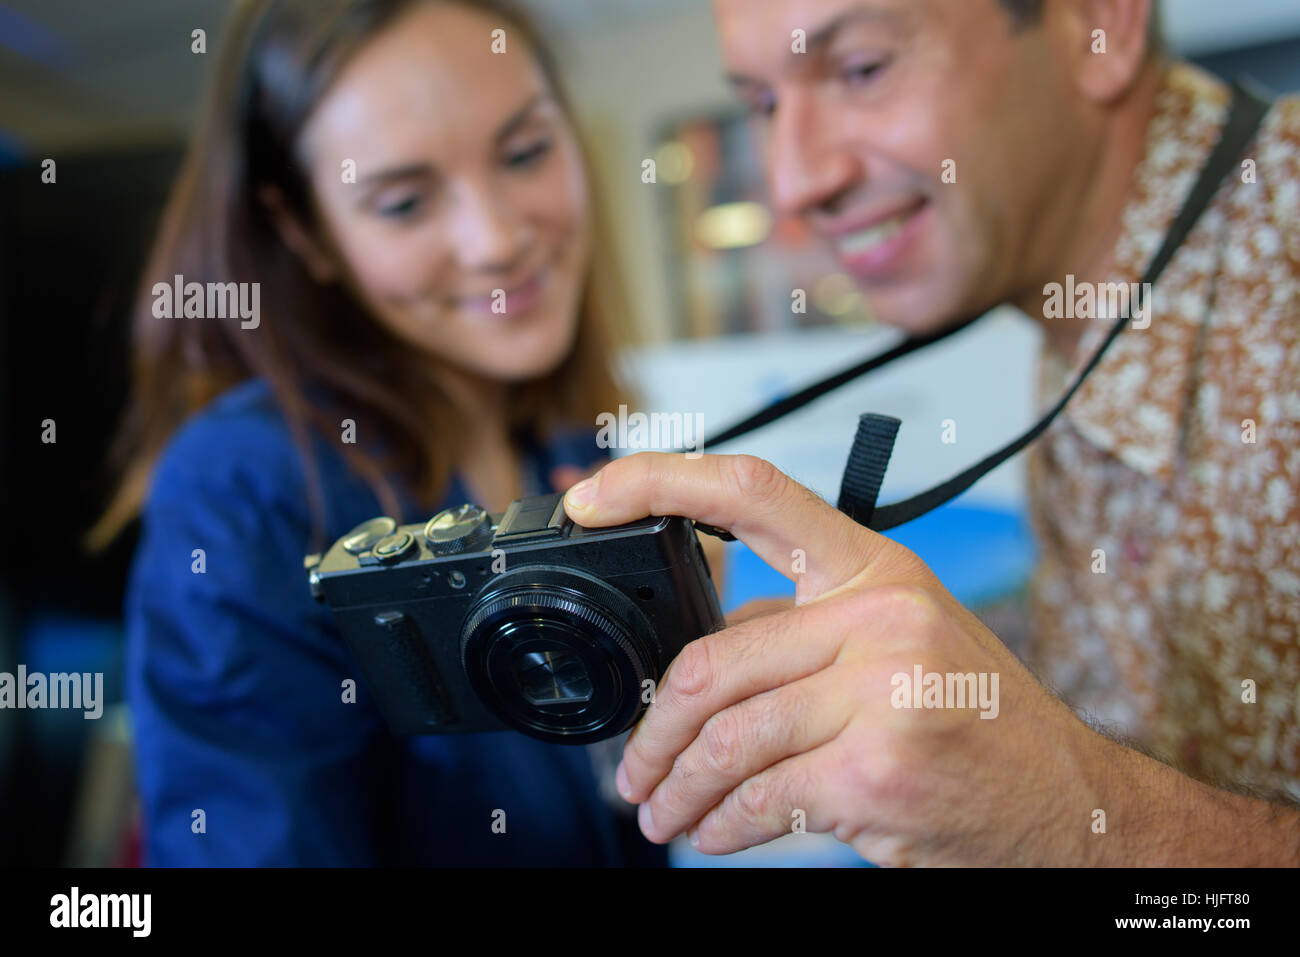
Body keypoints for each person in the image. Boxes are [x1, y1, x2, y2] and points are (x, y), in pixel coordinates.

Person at [562, 0, 1300, 865]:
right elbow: (1139, 686)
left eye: (863, 69)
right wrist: (848, 684)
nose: (794, 182)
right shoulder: (1082, 341)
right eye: (763, 104)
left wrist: (1081, 820)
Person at [91, 0, 663, 866]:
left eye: (525, 152)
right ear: (306, 234)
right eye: (403, 203)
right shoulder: (246, 483)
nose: (498, 239)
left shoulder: (569, 445)